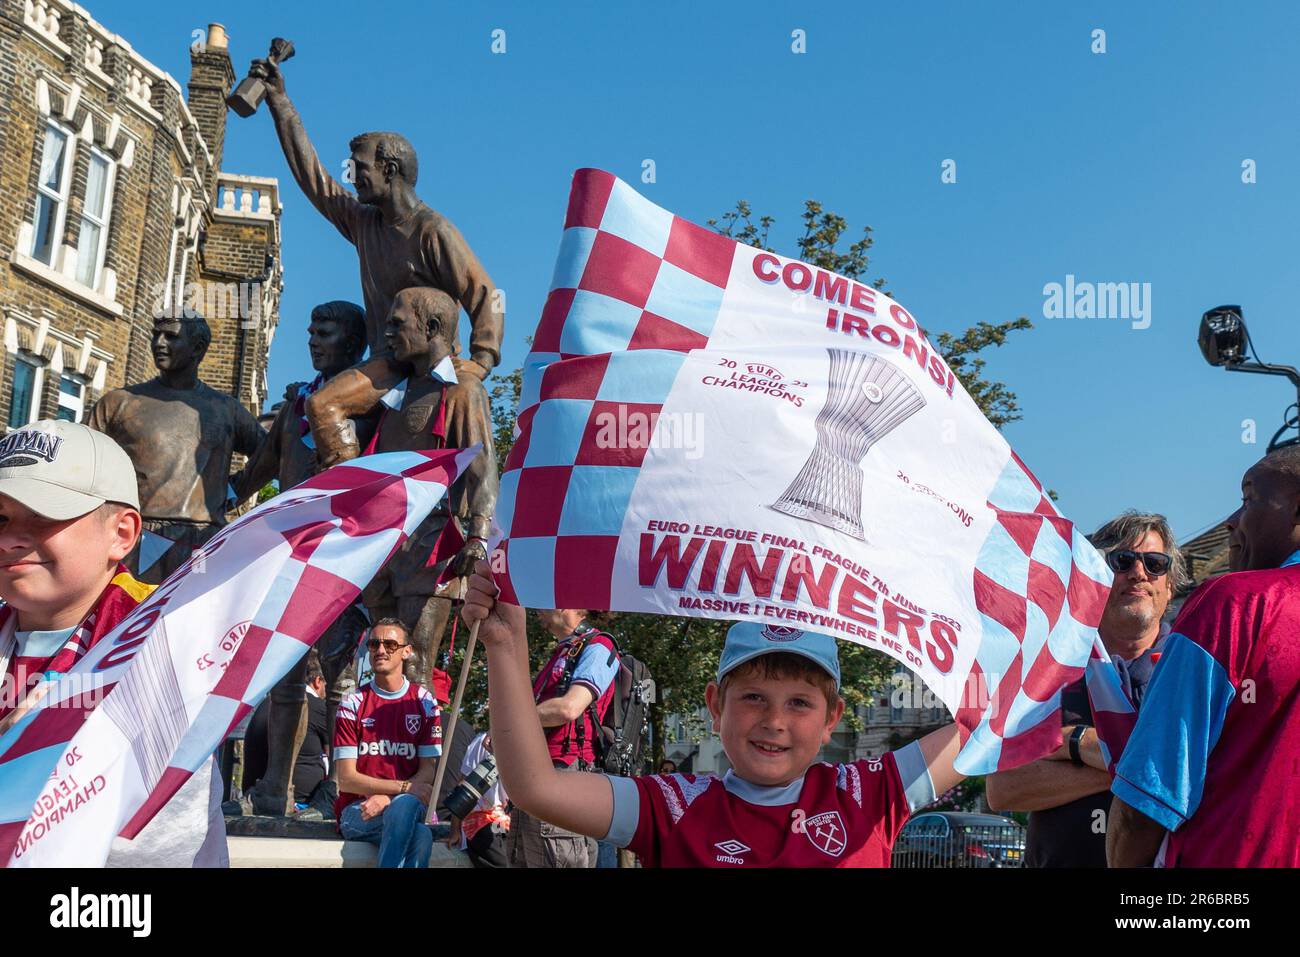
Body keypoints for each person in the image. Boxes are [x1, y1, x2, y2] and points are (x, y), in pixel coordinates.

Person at [462, 562, 965, 867]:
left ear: (833, 716)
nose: (775, 720)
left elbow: (996, 726)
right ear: (715, 705)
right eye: (753, 698)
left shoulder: (872, 791)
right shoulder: (672, 805)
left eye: (800, 703)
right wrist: (506, 644)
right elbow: (533, 787)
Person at [246, 55, 504, 467]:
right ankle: (346, 504)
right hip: (387, 362)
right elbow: (313, 178)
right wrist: (280, 103)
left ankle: (354, 501)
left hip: (432, 365)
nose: (351, 177)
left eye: (360, 169)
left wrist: (481, 361)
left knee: (325, 403)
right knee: (321, 405)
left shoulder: (433, 230)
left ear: (389, 169)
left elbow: (487, 294)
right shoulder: (364, 222)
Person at [0, 420, 227, 866]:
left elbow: (162, 842)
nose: (10, 539)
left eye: (44, 515)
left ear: (121, 534)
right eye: (0, 517)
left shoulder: (165, 651)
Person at [1108, 447, 1300, 867]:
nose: (1232, 519)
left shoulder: (1233, 604)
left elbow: (1145, 804)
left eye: (1249, 499)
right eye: (1122, 561)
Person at [231, 300, 372, 816]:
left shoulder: (369, 402)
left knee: (340, 678)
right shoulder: (298, 403)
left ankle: (340, 788)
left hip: (341, 550)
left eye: (325, 332)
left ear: (353, 344)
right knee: (285, 672)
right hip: (292, 547)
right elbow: (264, 464)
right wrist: (223, 498)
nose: (313, 340)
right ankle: (273, 787)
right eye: (310, 329)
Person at [985, 511, 1185, 867]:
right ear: (1092, 579)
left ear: (1169, 587)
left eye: (1155, 563)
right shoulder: (1045, 666)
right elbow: (1003, 788)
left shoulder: (1193, 669)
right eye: (1122, 561)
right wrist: (1144, 770)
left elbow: (1203, 778)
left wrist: (1071, 743)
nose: (1139, 573)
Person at [357, 287, 497, 687]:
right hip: (385, 543)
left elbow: (482, 466)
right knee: (382, 665)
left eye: (397, 324)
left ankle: (419, 749)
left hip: (432, 544)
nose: (386, 333)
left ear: (432, 327)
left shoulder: (462, 391)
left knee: (415, 666)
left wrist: (478, 535)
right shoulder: (394, 394)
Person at [87, 314, 264, 583]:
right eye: (155, 335)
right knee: (124, 615)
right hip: (135, 533)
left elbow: (270, 457)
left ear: (198, 347)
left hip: (201, 540)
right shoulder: (118, 403)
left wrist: (231, 492)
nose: (159, 342)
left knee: (194, 618)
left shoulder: (225, 410)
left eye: (170, 336)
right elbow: (82, 463)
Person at [506, 607, 619, 868]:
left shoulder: (599, 645)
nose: (537, 610)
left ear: (576, 604)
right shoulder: (564, 652)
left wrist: (512, 721)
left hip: (564, 782)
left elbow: (569, 708)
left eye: (547, 599)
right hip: (537, 782)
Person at [333, 618, 442, 867]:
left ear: (407, 651)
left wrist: (389, 799)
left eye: (391, 644)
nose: (381, 650)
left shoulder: (425, 702)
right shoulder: (352, 702)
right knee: (420, 833)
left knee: (409, 817)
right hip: (357, 810)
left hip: (401, 805)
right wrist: (402, 790)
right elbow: (347, 778)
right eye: (374, 644)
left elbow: (428, 771)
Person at [446, 731, 510, 868]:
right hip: (480, 820)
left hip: (506, 820)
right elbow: (463, 785)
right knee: (502, 862)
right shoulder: (483, 741)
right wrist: (454, 830)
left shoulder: (526, 742)